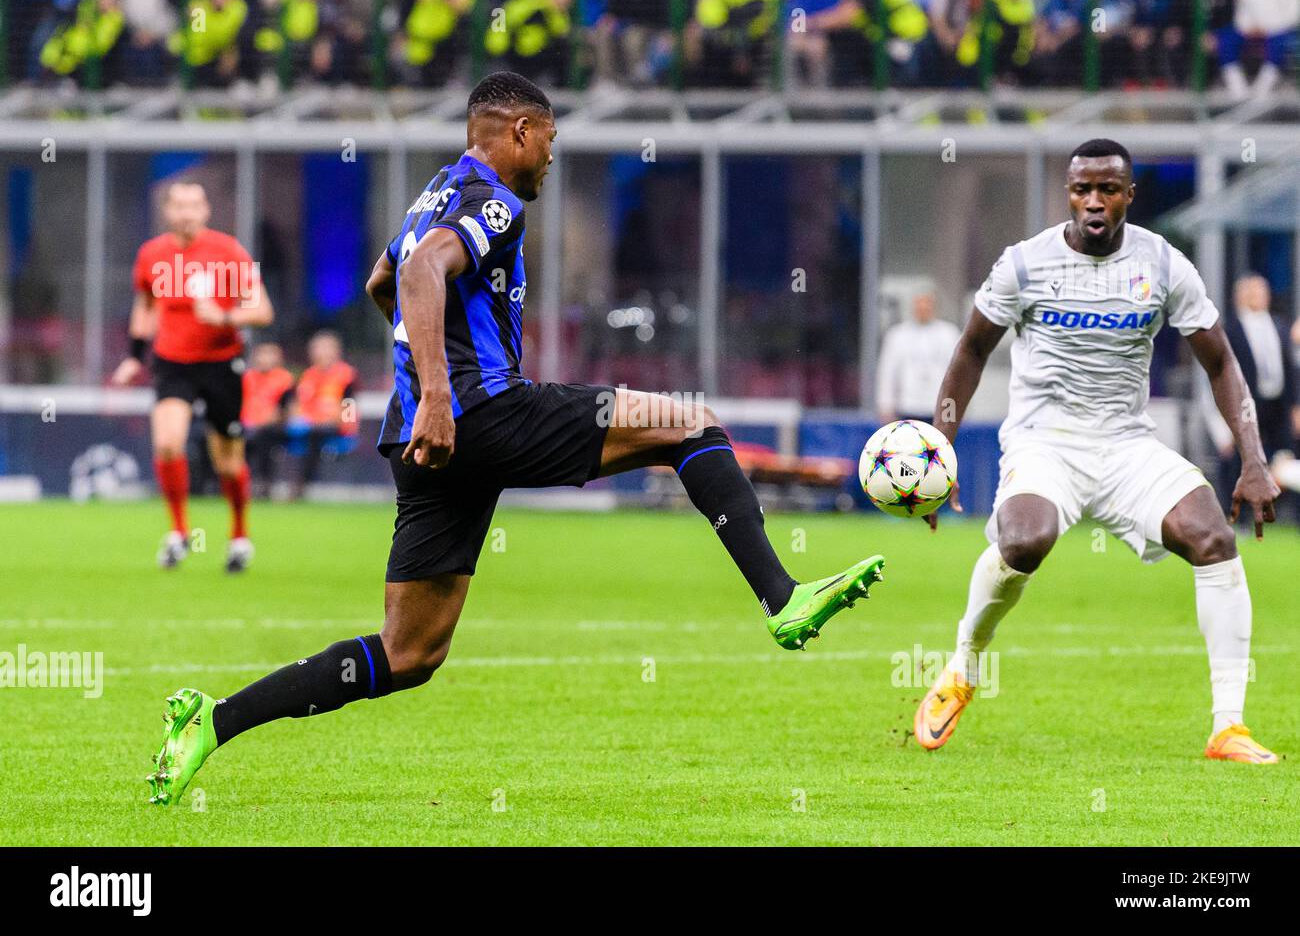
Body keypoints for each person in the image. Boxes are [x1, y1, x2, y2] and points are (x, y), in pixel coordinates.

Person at [144, 73, 885, 806]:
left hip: (421, 442)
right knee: (689, 422)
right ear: (521, 132)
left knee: (409, 654)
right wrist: (442, 390)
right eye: (551, 141)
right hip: (483, 411)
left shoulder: (433, 191)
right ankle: (781, 597)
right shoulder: (492, 202)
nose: (552, 159)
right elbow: (423, 271)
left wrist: (421, 382)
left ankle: (213, 722)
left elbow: (385, 279)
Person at [914, 139, 1280, 765]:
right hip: (1043, 443)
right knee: (1025, 540)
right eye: (1082, 189)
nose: (1093, 202)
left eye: (1108, 190)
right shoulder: (1024, 265)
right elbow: (970, 352)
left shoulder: (1164, 265)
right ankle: (962, 669)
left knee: (1213, 538)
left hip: (1127, 446)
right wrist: (937, 451)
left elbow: (1220, 361)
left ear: (1128, 197)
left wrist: (1253, 459)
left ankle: (1228, 728)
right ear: (1068, 193)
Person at [110, 181, 275, 573]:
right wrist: (134, 356)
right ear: (167, 211)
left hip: (221, 362)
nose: (187, 212)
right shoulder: (152, 255)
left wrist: (226, 317)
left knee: (228, 464)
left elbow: (263, 310)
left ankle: (238, 536)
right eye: (179, 205)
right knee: (167, 443)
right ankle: (179, 532)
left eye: (195, 204)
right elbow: (145, 306)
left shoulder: (228, 252)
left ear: (206, 210)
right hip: (172, 361)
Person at [1206, 274, 1299, 516]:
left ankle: (1283, 513)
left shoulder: (1279, 326)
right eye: (1256, 292)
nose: (1262, 297)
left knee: (1285, 457)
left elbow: (1289, 370)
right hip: (1247, 404)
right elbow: (1220, 373)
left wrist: (1294, 406)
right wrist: (1223, 422)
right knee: (1243, 458)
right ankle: (1240, 516)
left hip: (1277, 405)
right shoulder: (1231, 330)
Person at [285, 330, 360, 497]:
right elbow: (298, 403)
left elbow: (349, 403)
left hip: (336, 426)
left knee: (314, 434)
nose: (322, 353)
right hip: (309, 425)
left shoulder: (347, 375)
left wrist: (344, 423)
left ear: (337, 351)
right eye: (319, 348)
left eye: (327, 348)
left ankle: (300, 486)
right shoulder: (308, 375)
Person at [875, 291, 960, 424]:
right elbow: (888, 371)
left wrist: (956, 406)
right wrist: (886, 404)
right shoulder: (897, 335)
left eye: (927, 306)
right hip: (907, 404)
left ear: (934, 307)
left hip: (940, 406)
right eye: (919, 306)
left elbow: (957, 373)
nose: (923, 310)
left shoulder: (949, 334)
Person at [241, 341, 296, 498]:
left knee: (263, 437)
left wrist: (347, 423)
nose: (265, 358)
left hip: (274, 428)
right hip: (246, 425)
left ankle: (263, 484)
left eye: (270, 354)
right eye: (262, 353)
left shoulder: (285, 380)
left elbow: (287, 410)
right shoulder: (247, 378)